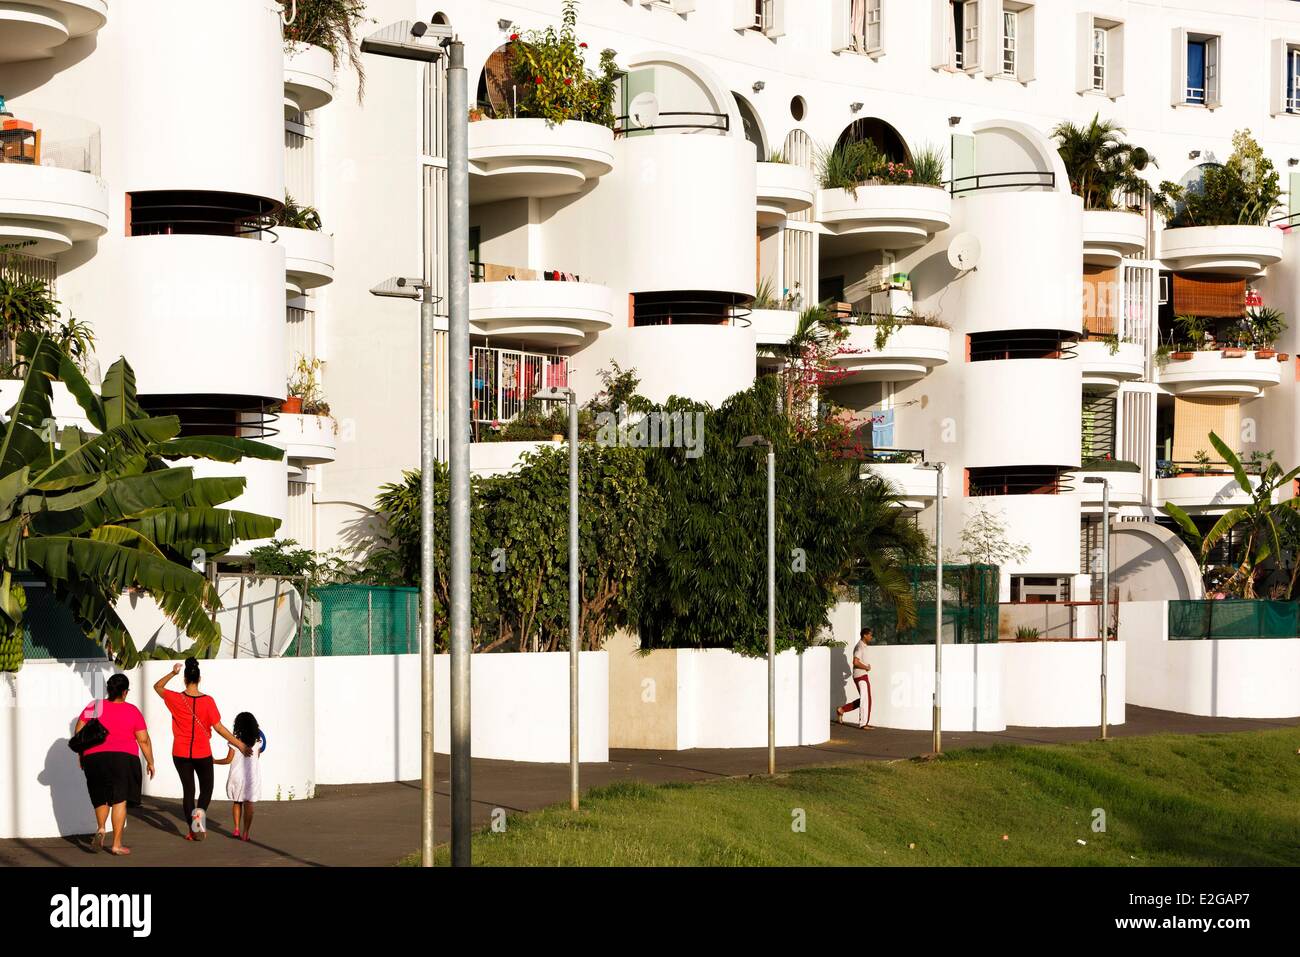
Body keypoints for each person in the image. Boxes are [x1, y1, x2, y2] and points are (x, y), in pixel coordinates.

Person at [153, 657, 250, 841]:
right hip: (202, 752)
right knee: (206, 789)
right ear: (199, 679)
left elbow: (157, 687)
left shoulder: (175, 698)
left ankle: (192, 830)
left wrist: (172, 673)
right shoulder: (208, 701)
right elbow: (219, 728)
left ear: (184, 679)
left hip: (180, 753)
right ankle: (198, 822)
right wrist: (240, 744)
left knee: (188, 791)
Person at [74, 673, 155, 856]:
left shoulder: (95, 706)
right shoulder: (132, 710)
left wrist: (81, 753)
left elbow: (79, 729)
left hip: (94, 758)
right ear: (125, 692)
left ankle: (101, 829)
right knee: (119, 800)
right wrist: (150, 762)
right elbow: (143, 740)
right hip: (123, 759)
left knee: (101, 796)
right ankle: (116, 844)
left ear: (108, 690)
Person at [215, 712, 264, 842]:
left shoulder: (234, 739)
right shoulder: (258, 740)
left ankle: (236, 829)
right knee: (249, 804)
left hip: (237, 775)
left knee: (237, 802)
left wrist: (213, 761)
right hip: (251, 777)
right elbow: (257, 757)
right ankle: (246, 833)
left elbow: (228, 760)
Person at [835, 627, 875, 729]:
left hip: (862, 675)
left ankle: (842, 710)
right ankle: (863, 723)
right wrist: (866, 667)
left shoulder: (864, 646)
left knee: (865, 699)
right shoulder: (859, 647)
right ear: (865, 635)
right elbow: (855, 662)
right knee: (865, 700)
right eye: (870, 635)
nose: (871, 637)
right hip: (860, 676)